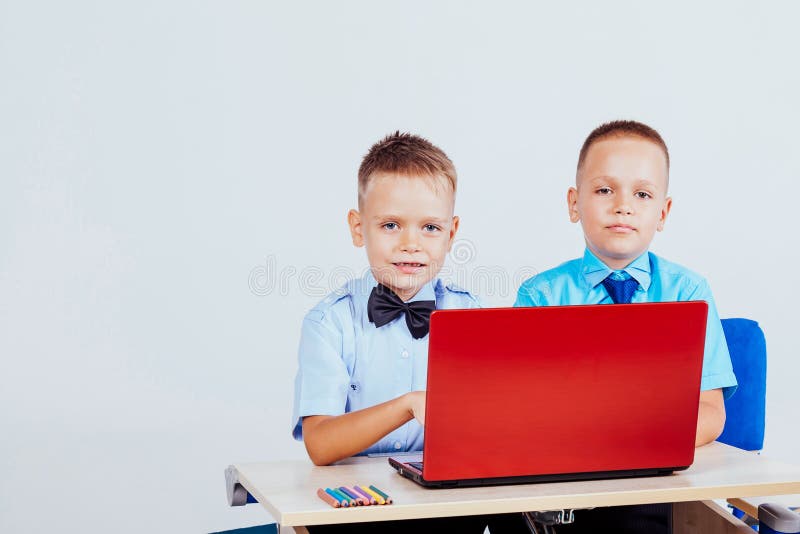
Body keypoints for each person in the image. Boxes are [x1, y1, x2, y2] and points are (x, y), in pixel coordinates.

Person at [514, 120, 737, 533]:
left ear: (663, 211)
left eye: (642, 194)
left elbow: (711, 411)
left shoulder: (689, 293)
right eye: (603, 190)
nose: (623, 205)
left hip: (652, 489)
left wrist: (638, 449)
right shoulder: (540, 295)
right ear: (573, 203)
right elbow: (525, 411)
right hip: (562, 489)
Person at [291, 132, 521, 532]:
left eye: (430, 227)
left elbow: (500, 425)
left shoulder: (472, 316)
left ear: (452, 234)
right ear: (358, 228)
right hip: (357, 513)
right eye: (391, 225)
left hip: (449, 509)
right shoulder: (329, 322)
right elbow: (320, 445)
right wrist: (408, 404)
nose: (411, 244)